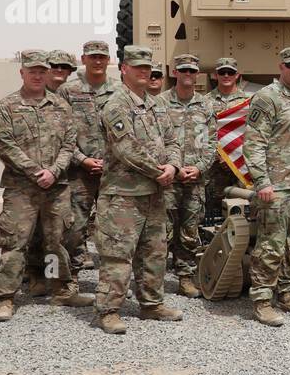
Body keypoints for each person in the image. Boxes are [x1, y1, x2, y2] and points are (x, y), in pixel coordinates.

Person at [93, 45, 183, 333]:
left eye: (148, 68)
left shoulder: (157, 104)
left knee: (155, 251)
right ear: (124, 69)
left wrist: (173, 166)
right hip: (123, 195)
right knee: (118, 254)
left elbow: (173, 141)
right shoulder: (116, 104)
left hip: (155, 193)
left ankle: (151, 304)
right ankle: (109, 310)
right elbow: (126, 149)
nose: (145, 72)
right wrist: (160, 172)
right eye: (138, 67)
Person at [0, 51, 84, 321]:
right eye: (32, 71)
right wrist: (36, 172)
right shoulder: (7, 106)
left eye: (42, 71)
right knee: (14, 243)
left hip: (56, 187)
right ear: (22, 73)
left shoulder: (61, 106)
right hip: (22, 188)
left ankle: (58, 288)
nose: (37, 75)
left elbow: (69, 144)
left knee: (56, 241)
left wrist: (54, 172)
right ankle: (6, 297)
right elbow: (5, 144)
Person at [242, 46, 290, 324]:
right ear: (281, 67)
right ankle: (262, 299)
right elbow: (253, 143)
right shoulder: (267, 98)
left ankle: (286, 293)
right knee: (271, 245)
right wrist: (262, 181)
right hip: (277, 187)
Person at [59, 40, 119, 283]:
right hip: (79, 173)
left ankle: (112, 283)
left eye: (101, 57)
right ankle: (69, 281)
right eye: (92, 56)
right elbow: (60, 133)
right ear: (83, 59)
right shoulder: (68, 90)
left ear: (108, 60)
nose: (97, 61)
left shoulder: (120, 91)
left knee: (113, 231)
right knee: (73, 229)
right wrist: (82, 159)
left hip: (112, 172)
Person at [157, 54, 216, 298]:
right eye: (184, 71)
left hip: (195, 179)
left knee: (189, 232)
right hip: (168, 179)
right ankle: (155, 281)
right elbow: (155, 141)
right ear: (175, 72)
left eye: (192, 71)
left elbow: (212, 143)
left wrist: (200, 168)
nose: (188, 75)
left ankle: (185, 277)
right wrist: (174, 168)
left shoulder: (205, 105)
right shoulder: (159, 103)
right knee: (163, 232)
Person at [204, 57, 252, 217]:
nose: (226, 75)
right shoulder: (205, 102)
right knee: (213, 210)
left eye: (230, 72)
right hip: (215, 167)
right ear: (215, 75)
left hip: (240, 165)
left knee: (243, 208)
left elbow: (251, 132)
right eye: (222, 72)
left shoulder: (247, 103)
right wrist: (220, 157)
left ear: (237, 75)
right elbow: (202, 133)